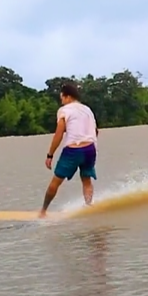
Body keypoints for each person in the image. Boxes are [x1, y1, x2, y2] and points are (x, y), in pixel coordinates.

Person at [39, 83, 99, 217]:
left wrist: (50, 155)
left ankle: (43, 212)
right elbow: (95, 131)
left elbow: (59, 134)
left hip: (73, 151)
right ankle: (89, 206)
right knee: (86, 180)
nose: (61, 101)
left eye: (62, 98)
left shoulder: (64, 110)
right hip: (90, 149)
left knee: (56, 182)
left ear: (68, 97)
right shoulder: (87, 109)